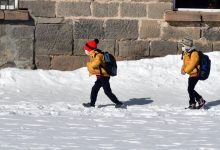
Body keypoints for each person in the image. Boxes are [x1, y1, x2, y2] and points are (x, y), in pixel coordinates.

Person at [82, 39, 124, 108]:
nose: (85, 50)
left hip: (104, 76)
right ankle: (92, 104)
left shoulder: (98, 55)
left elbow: (97, 62)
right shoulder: (94, 54)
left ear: (89, 49)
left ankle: (118, 103)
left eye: (86, 49)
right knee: (94, 89)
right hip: (100, 76)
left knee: (107, 91)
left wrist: (89, 64)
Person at [180, 38, 206, 109]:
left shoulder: (194, 53)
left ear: (187, 45)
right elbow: (185, 63)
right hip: (191, 74)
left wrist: (185, 71)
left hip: (196, 74)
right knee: (190, 89)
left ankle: (200, 100)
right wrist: (182, 69)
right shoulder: (186, 53)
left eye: (183, 45)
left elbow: (192, 64)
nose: (182, 46)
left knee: (190, 89)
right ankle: (192, 103)